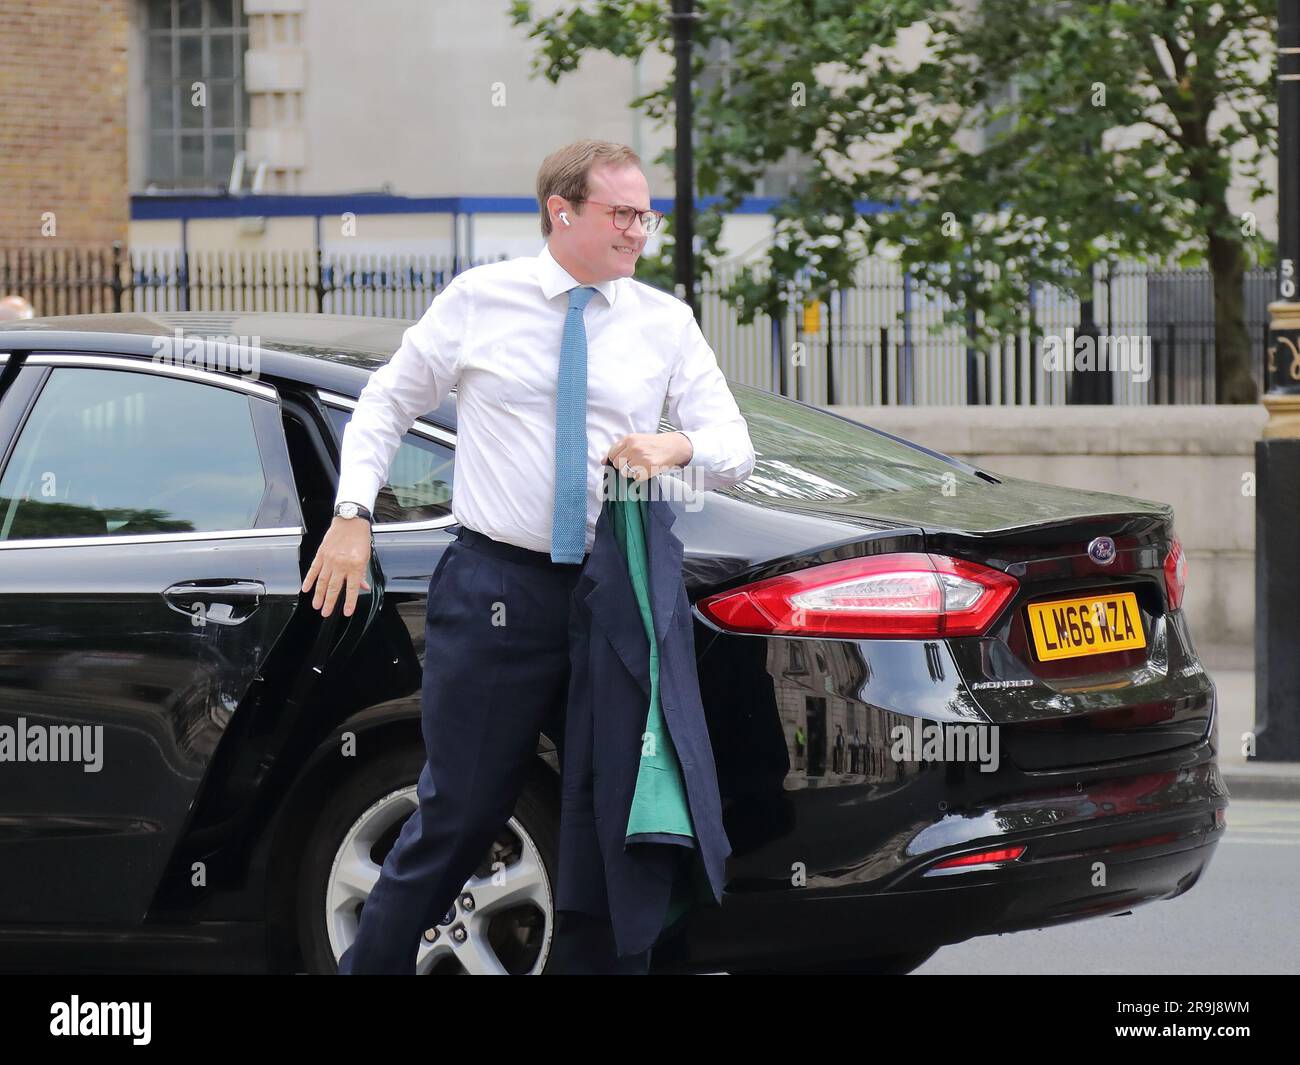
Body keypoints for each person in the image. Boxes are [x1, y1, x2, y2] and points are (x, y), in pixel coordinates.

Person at [302, 138, 756, 975]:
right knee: (459, 811)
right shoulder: (481, 299)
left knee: (612, 813)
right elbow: (387, 401)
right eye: (621, 213)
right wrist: (352, 513)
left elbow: (735, 445)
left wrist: (673, 443)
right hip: (497, 589)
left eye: (645, 213)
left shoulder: (664, 321)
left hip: (611, 595)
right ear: (563, 210)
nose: (638, 231)